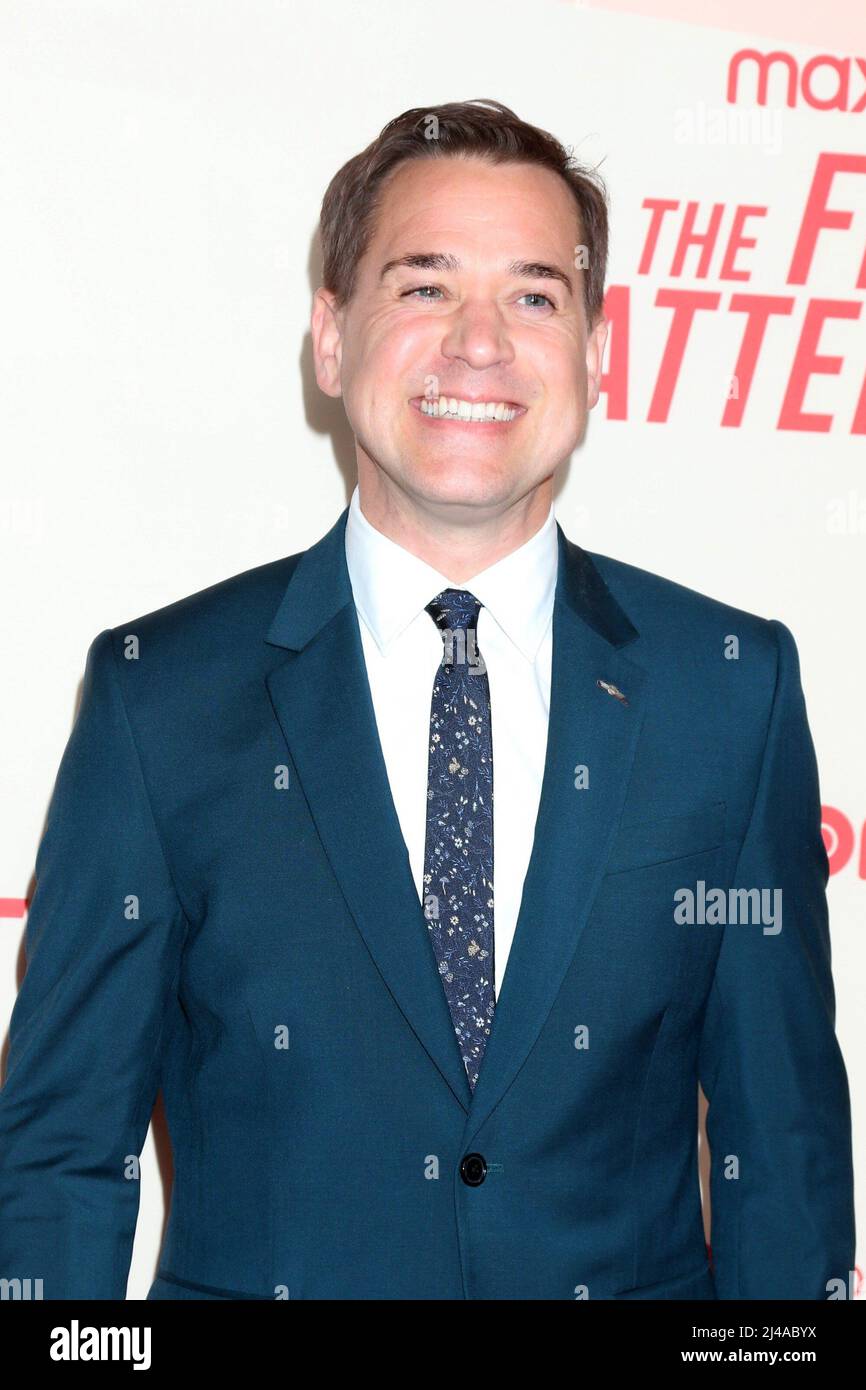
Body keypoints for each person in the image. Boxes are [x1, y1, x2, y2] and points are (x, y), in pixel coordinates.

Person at [0, 99, 854, 1300]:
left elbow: (784, 1147)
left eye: (533, 295)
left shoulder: (729, 689)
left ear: (595, 355)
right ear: (331, 338)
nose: (479, 343)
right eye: (423, 287)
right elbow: (60, 1155)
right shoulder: (163, 697)